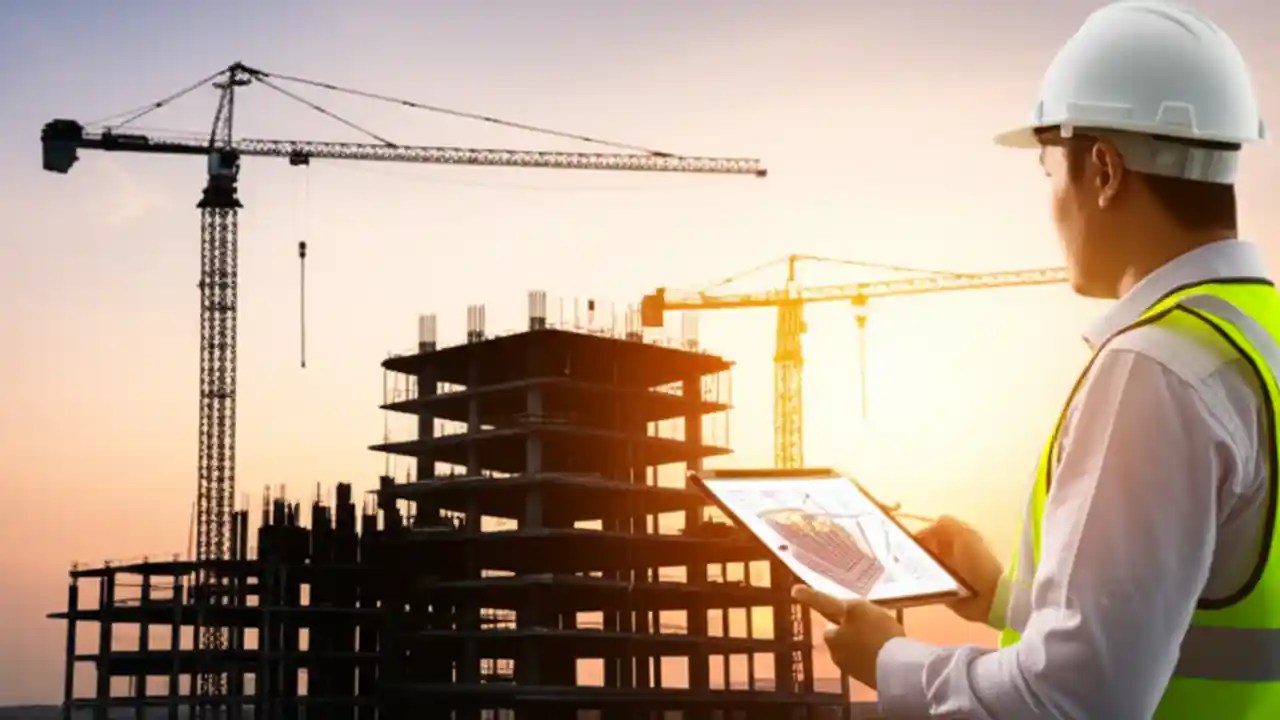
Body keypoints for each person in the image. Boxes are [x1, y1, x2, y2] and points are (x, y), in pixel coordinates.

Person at [793, 1, 1278, 717]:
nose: (1052, 200)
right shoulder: (1254, 341)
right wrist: (1002, 596)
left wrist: (891, 662)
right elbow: (1199, 605)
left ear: (1105, 170)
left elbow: (1074, 698)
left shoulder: (1156, 369)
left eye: (1052, 166)